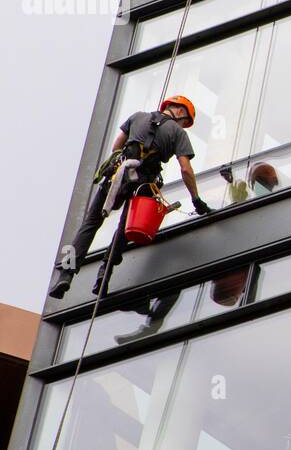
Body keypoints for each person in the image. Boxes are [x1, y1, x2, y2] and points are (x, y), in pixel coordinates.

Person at [48, 96, 211, 300]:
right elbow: (185, 169)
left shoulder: (138, 116)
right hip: (143, 184)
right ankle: (103, 276)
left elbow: (117, 146)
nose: (184, 126)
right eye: (185, 122)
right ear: (179, 112)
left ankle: (66, 274)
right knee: (125, 230)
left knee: (89, 224)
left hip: (118, 176)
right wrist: (196, 199)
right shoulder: (177, 133)